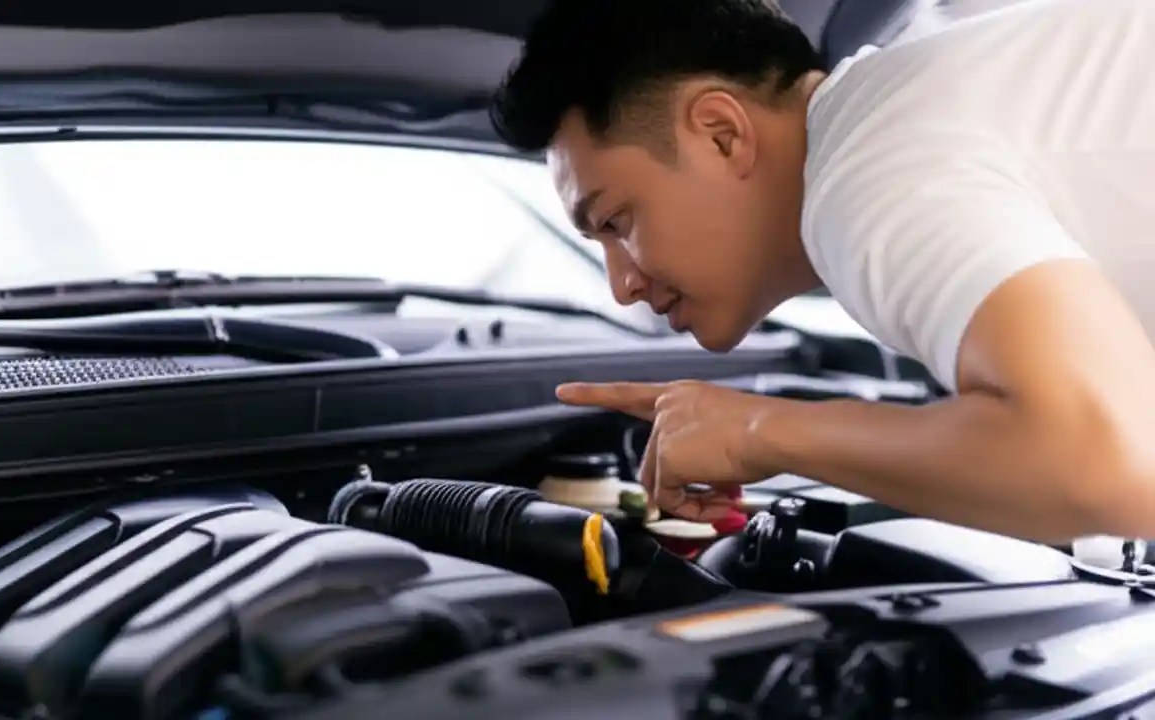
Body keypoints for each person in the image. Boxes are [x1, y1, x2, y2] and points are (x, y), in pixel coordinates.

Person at [488, 0, 1155, 543]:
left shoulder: (871, 168)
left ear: (722, 134)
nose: (622, 285)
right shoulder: (906, 110)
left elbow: (1106, 465)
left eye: (616, 221)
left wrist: (757, 431)